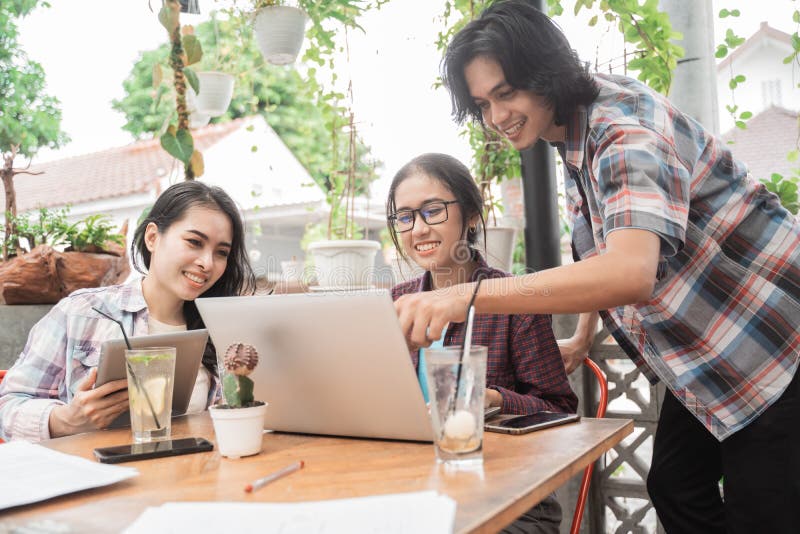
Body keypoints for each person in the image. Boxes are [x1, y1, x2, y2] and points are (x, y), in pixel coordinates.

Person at [393, 2, 800, 532]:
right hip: (710, 351)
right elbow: (603, 248)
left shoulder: (621, 127)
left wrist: (463, 296)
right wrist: (585, 334)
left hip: (774, 341)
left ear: (545, 72)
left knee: (763, 509)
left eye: (506, 93)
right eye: (482, 103)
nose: (496, 117)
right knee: (675, 487)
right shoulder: (569, 135)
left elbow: (631, 271)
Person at [388, 152, 577, 533]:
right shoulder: (397, 303)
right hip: (416, 490)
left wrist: (493, 399)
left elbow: (561, 411)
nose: (418, 229)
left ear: (472, 215)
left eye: (433, 210)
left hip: (510, 501)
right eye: (405, 216)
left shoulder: (513, 300)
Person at [0, 181, 256, 442]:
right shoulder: (84, 312)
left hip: (196, 477)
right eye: (194, 242)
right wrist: (65, 420)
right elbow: (7, 408)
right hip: (99, 477)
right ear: (152, 237)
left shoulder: (221, 329)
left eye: (221, 252)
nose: (207, 263)